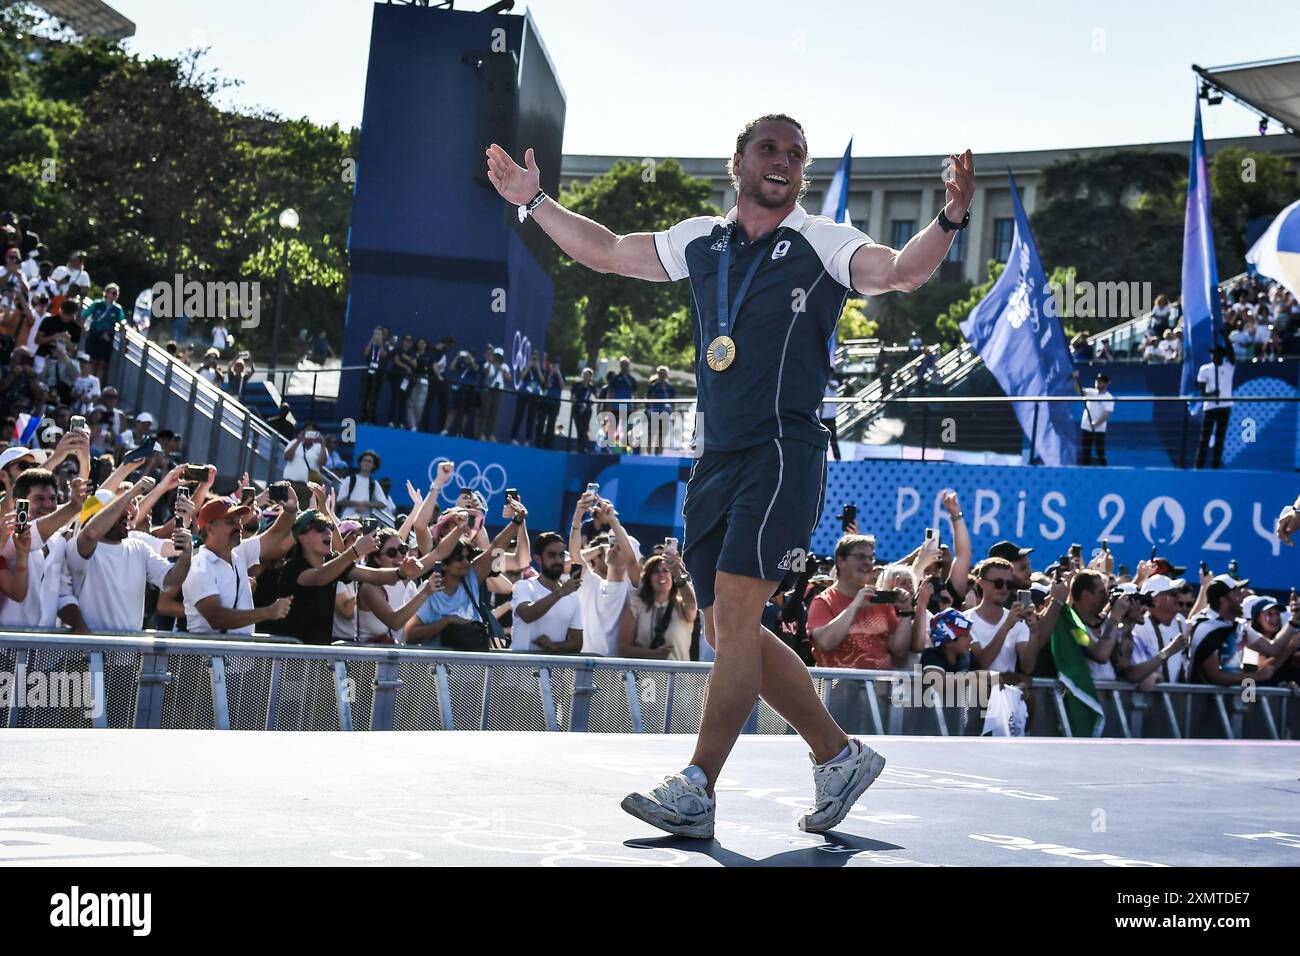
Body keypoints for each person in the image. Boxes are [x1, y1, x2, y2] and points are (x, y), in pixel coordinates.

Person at [487, 113, 975, 837]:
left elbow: (901, 269)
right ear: (738, 161)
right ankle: (838, 756)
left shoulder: (823, 241)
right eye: (768, 149)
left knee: (740, 616)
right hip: (715, 461)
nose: (783, 161)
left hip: (784, 453)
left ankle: (698, 787)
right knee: (723, 628)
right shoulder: (700, 241)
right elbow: (613, 251)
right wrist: (534, 202)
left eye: (796, 154)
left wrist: (952, 216)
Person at [277, 509, 423, 645]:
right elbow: (318, 577)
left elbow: (373, 576)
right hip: (292, 652)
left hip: (320, 651)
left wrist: (402, 573)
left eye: (329, 527)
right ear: (303, 538)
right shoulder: (293, 567)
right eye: (320, 528)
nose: (328, 532)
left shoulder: (332, 561)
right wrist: (354, 551)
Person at [182, 496, 296, 635]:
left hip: (236, 654)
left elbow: (278, 533)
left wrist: (290, 510)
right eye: (231, 521)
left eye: (239, 520)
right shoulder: (199, 566)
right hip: (209, 655)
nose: (239, 526)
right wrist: (268, 612)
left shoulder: (239, 552)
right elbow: (216, 618)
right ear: (210, 528)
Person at [355, 527, 443, 643]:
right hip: (369, 658)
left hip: (397, 657)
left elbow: (438, 554)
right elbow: (394, 622)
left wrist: (461, 528)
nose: (400, 556)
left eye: (403, 549)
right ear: (377, 559)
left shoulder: (406, 582)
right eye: (391, 553)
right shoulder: (370, 587)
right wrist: (425, 592)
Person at [510, 531, 583, 653]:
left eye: (561, 555)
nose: (558, 560)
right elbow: (527, 615)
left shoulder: (573, 596)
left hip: (554, 670)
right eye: (552, 555)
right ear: (538, 559)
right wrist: (560, 593)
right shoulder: (523, 586)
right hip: (520, 670)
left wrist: (554, 646)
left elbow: (577, 642)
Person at [619, 548, 697, 660]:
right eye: (656, 572)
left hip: (678, 676)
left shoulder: (682, 607)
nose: (661, 575)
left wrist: (677, 572)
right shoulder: (637, 604)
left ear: (672, 577)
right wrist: (654, 654)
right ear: (648, 578)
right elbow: (623, 649)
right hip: (646, 675)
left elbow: (692, 603)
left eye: (666, 571)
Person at [1194, 345, 1233, 469]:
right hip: (1210, 408)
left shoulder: (1229, 367)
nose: (1213, 356)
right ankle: (1198, 468)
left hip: (1225, 407)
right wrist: (1211, 394)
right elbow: (1202, 394)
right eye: (1212, 354)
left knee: (1220, 439)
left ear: (1222, 356)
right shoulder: (1204, 369)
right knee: (1204, 439)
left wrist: (1225, 336)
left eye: (1216, 354)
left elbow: (1232, 355)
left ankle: (1215, 468)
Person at [336, 450, 395, 523]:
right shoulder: (349, 480)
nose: (366, 463)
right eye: (364, 460)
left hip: (364, 523)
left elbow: (383, 504)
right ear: (360, 463)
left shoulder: (374, 483)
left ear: (374, 465)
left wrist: (367, 504)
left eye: (369, 461)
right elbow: (339, 501)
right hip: (346, 521)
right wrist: (358, 504)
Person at [1076, 372, 1114, 466]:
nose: (1097, 383)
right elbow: (1078, 390)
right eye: (1096, 381)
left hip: (1099, 429)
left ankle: (1104, 472)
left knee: (1100, 452)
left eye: (1100, 382)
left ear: (1105, 384)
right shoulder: (1091, 392)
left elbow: (1107, 414)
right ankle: (1085, 471)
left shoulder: (1108, 397)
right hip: (1086, 427)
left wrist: (1096, 424)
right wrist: (1075, 379)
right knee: (1086, 451)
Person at [360, 326, 388, 425]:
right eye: (376, 333)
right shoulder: (370, 344)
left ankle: (371, 420)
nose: (377, 336)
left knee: (373, 399)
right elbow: (365, 353)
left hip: (378, 376)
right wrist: (372, 340)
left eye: (379, 334)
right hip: (367, 374)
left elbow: (384, 355)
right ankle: (362, 419)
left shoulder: (385, 345)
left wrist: (380, 342)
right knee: (364, 397)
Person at [645, 365, 675, 456]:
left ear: (667, 375)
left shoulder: (669, 387)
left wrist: (673, 413)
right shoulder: (653, 386)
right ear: (658, 374)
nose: (662, 375)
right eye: (660, 373)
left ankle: (659, 454)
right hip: (654, 412)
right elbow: (648, 399)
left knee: (662, 435)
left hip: (665, 413)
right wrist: (649, 410)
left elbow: (673, 402)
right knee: (651, 433)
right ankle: (649, 454)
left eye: (664, 373)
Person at [570, 367, 597, 453]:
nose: (586, 377)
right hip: (577, 410)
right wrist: (578, 403)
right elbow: (572, 397)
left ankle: (582, 447)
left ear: (590, 377)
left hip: (587, 411)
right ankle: (580, 447)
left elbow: (595, 399)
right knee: (580, 428)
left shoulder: (592, 388)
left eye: (588, 375)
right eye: (584, 375)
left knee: (584, 428)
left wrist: (588, 403)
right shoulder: (577, 385)